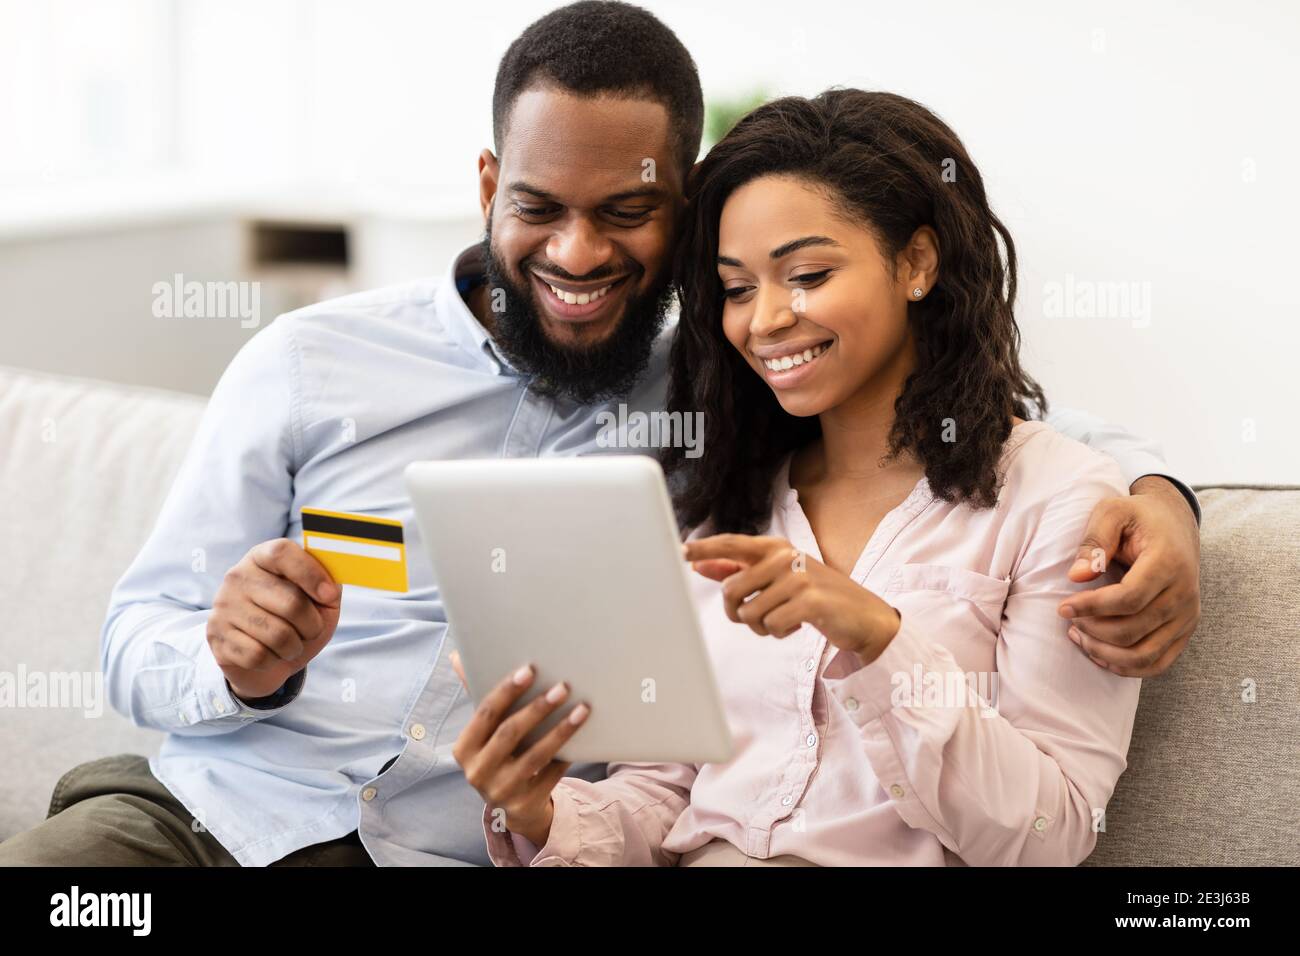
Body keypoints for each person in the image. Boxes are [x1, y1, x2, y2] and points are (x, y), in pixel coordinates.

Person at [0, 2, 1198, 868]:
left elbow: (977, 415)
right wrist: (233, 665)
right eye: (538, 207)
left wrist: (1162, 500)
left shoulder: (724, 387)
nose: (576, 255)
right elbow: (133, 637)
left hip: (444, 847)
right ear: (486, 184)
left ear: (681, 208)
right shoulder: (307, 364)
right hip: (203, 814)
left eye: (626, 212)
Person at [457, 88, 1165, 866]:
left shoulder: (1054, 501)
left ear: (916, 262)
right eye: (735, 288)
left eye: (807, 274)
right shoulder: (723, 506)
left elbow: (1050, 833)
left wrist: (877, 637)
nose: (763, 321)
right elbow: (664, 797)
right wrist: (539, 810)